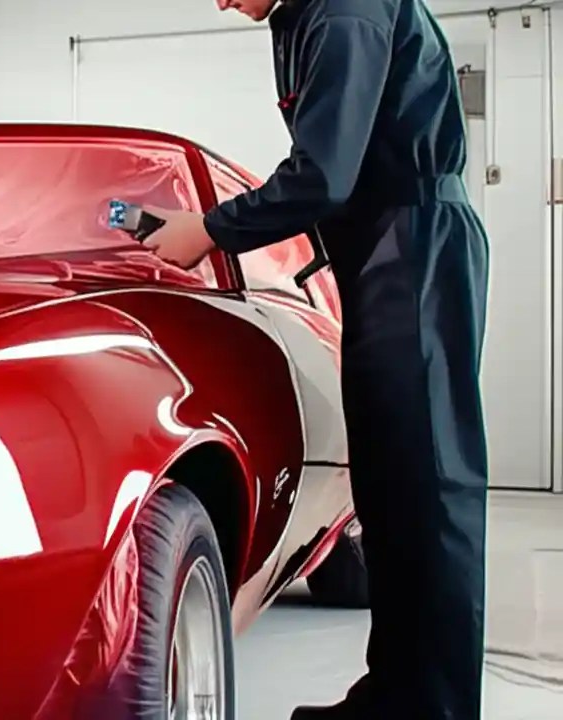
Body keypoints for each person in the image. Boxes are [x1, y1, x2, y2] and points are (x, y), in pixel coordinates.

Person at [142, 0, 491, 719]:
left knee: (430, 489)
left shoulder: (344, 10)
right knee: (394, 491)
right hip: (379, 250)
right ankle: (394, 695)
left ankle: (435, 709)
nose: (219, 2)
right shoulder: (300, 17)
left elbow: (322, 174)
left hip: (414, 245)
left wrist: (209, 230)